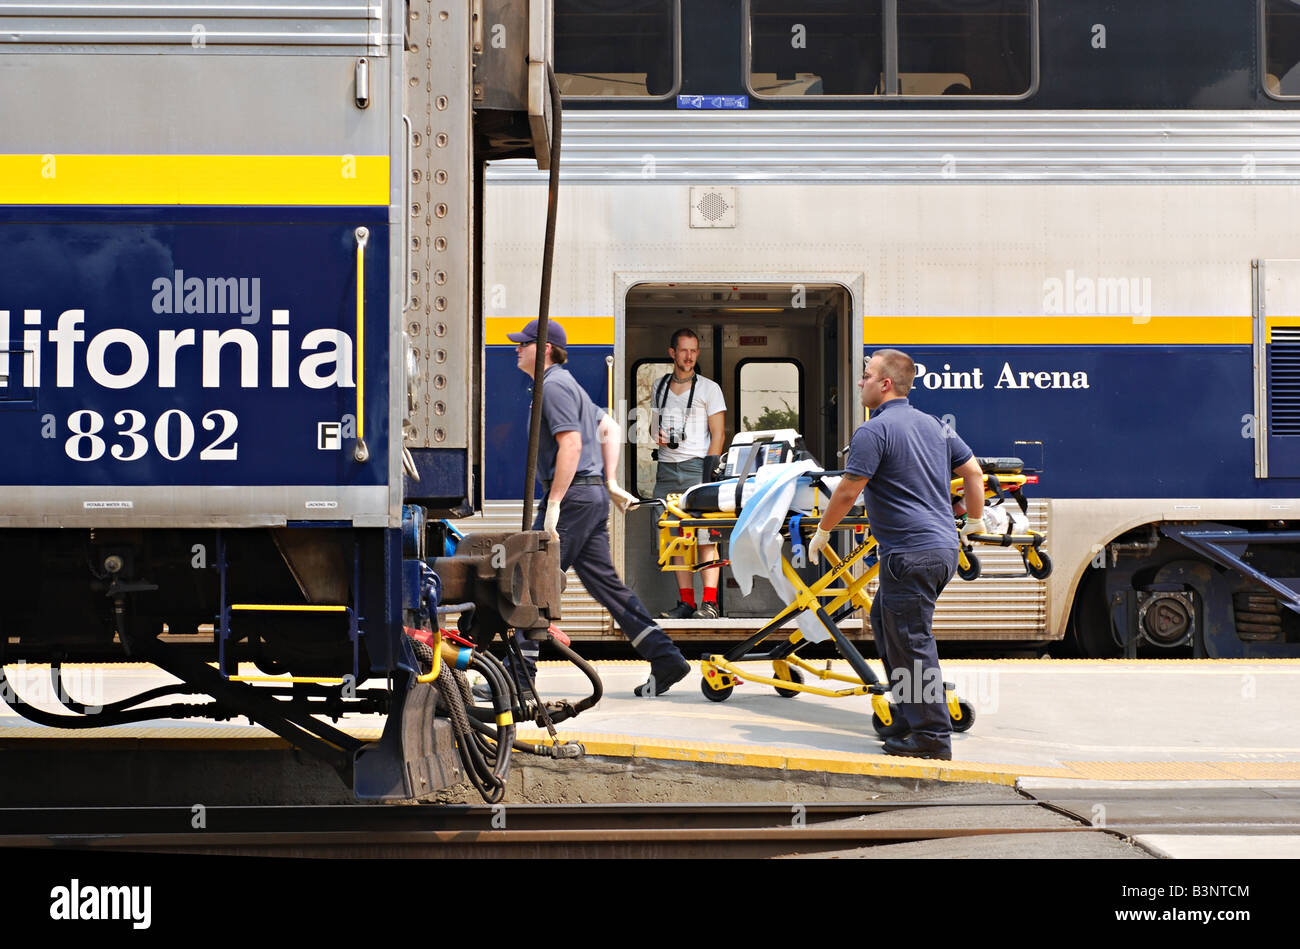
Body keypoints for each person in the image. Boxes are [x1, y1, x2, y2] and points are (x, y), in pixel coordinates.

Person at [808, 349, 986, 760]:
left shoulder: (874, 430)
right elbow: (973, 473)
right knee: (886, 624)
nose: (860, 382)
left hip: (910, 553)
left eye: (866, 375)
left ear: (885, 383)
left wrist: (823, 530)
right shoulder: (935, 425)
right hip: (940, 549)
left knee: (911, 640)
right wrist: (974, 521)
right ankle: (908, 718)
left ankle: (931, 739)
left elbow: (850, 489)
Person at [509, 318, 691, 697]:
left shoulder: (553, 385)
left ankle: (519, 679)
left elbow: (571, 445)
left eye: (521, 344)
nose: (515, 349)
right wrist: (609, 483)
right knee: (606, 586)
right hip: (589, 497)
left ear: (543, 349)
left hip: (573, 497)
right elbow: (608, 426)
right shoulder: (567, 384)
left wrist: (555, 502)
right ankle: (665, 655)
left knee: (530, 580)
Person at [652, 328, 727, 620]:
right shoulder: (659, 386)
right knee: (676, 537)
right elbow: (650, 428)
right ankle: (687, 603)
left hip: (698, 468)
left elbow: (718, 435)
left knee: (706, 536)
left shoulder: (709, 389)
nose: (689, 356)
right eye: (684, 350)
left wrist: (709, 477)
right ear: (673, 353)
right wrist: (656, 435)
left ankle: (710, 603)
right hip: (666, 469)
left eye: (694, 350)